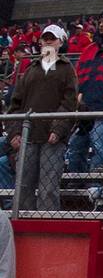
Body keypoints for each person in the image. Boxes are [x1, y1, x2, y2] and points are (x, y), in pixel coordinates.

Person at [5, 24, 77, 213]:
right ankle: (23, 228)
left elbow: (70, 103)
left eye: (52, 38)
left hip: (52, 139)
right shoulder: (30, 70)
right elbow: (15, 105)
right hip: (28, 137)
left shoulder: (67, 69)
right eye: (45, 38)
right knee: (23, 188)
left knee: (48, 189)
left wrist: (58, 129)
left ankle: (49, 227)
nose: (47, 41)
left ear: (61, 42)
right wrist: (14, 132)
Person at [67, 10, 103, 172]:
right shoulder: (89, 49)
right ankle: (74, 181)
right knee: (77, 146)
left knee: (99, 147)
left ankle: (95, 185)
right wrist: (79, 97)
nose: (101, 25)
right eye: (100, 22)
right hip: (84, 108)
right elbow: (78, 75)